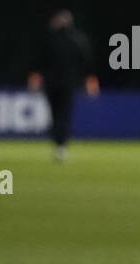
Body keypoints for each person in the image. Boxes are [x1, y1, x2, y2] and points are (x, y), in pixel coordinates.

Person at [27, 9, 99, 161]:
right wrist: (90, 80)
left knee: (56, 114)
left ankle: (59, 144)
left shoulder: (51, 39)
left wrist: (36, 77)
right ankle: (61, 145)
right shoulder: (77, 40)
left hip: (53, 83)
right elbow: (86, 63)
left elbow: (39, 61)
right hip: (68, 84)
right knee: (63, 114)